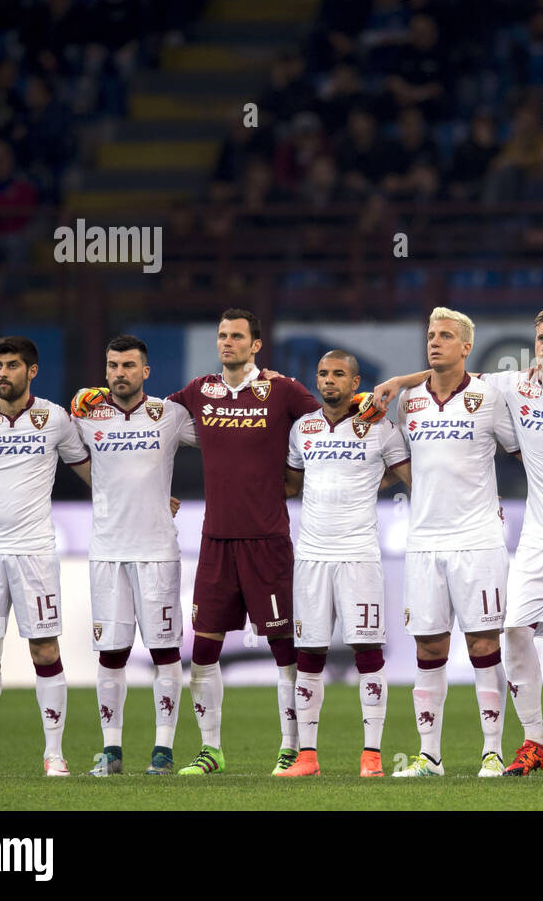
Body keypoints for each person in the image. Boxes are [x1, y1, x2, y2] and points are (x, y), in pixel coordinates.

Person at [373, 307, 543, 777]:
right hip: (533, 536)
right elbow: (452, 373)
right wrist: (395, 382)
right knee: (513, 631)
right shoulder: (509, 385)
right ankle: (532, 741)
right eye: (541, 339)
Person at [165, 308, 321, 775]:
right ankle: (210, 749)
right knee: (205, 648)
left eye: (236, 336)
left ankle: (291, 747)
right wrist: (99, 401)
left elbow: (329, 425)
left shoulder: (284, 390)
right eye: (221, 335)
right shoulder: (199, 391)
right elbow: (149, 421)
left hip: (268, 540)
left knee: (283, 650)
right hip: (216, 541)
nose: (226, 342)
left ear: (256, 344)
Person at [0, 336, 91, 777]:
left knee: (45, 650)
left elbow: (87, 472)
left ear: (33, 371)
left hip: (34, 553)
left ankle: (54, 755)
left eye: (12, 366)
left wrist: (142, 499)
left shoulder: (54, 419)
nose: (2, 373)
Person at [382, 308, 519, 777]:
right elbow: (399, 461)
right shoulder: (409, 402)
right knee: (429, 648)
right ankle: (430, 756)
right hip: (423, 542)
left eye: (446, 336)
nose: (435, 342)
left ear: (466, 347)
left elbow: (525, 452)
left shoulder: (490, 395)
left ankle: (493, 752)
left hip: (478, 540)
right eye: (430, 335)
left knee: (483, 645)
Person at [278, 351, 409, 777]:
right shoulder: (303, 429)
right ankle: (308, 758)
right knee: (309, 654)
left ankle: (371, 755)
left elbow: (413, 477)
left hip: (358, 555)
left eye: (339, 374)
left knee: (368, 653)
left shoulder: (381, 429)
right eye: (323, 373)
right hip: (312, 556)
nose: (329, 380)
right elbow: (293, 484)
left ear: (356, 383)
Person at [78, 335, 198, 776]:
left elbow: (224, 441)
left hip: (157, 551)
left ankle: (162, 751)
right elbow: (52, 439)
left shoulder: (170, 415)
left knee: (165, 651)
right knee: (111, 654)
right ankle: (111, 752)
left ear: (146, 372)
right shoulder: (86, 415)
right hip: (107, 551)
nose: (119, 373)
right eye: (112, 365)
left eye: (128, 365)